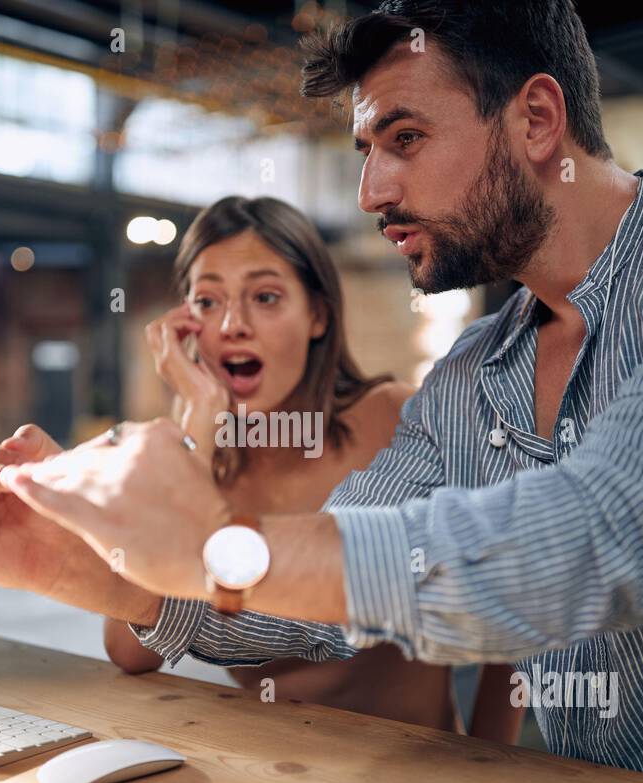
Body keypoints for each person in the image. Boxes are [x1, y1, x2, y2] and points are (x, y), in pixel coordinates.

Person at [0, 0, 643, 783]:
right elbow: (321, 609)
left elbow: (603, 537)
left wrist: (211, 543)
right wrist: (84, 565)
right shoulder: (474, 374)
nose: (368, 188)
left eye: (404, 138)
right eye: (364, 149)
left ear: (538, 120)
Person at [99, 195, 518, 738]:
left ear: (318, 314)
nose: (232, 325)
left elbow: (508, 600)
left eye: (265, 297)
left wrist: (492, 762)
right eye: (206, 301)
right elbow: (128, 650)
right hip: (269, 773)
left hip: (415, 775)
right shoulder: (189, 455)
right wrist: (195, 424)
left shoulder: (398, 419)